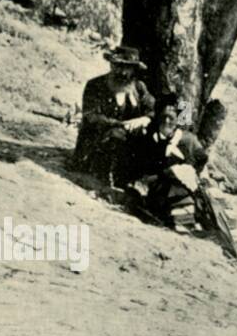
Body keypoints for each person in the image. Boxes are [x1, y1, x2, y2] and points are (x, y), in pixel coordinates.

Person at [72, 45, 156, 186]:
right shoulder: (95, 85)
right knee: (116, 135)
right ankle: (105, 177)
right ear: (111, 65)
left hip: (128, 140)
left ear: (134, 70)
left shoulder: (139, 87)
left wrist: (144, 119)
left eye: (127, 68)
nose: (123, 72)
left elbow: (152, 109)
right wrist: (120, 125)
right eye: (119, 66)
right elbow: (91, 116)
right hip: (97, 141)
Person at [128, 92, 210, 233]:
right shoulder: (150, 136)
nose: (166, 122)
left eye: (171, 118)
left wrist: (191, 172)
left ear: (178, 120)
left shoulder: (188, 140)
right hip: (157, 188)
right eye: (163, 117)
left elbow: (202, 159)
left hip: (180, 190)